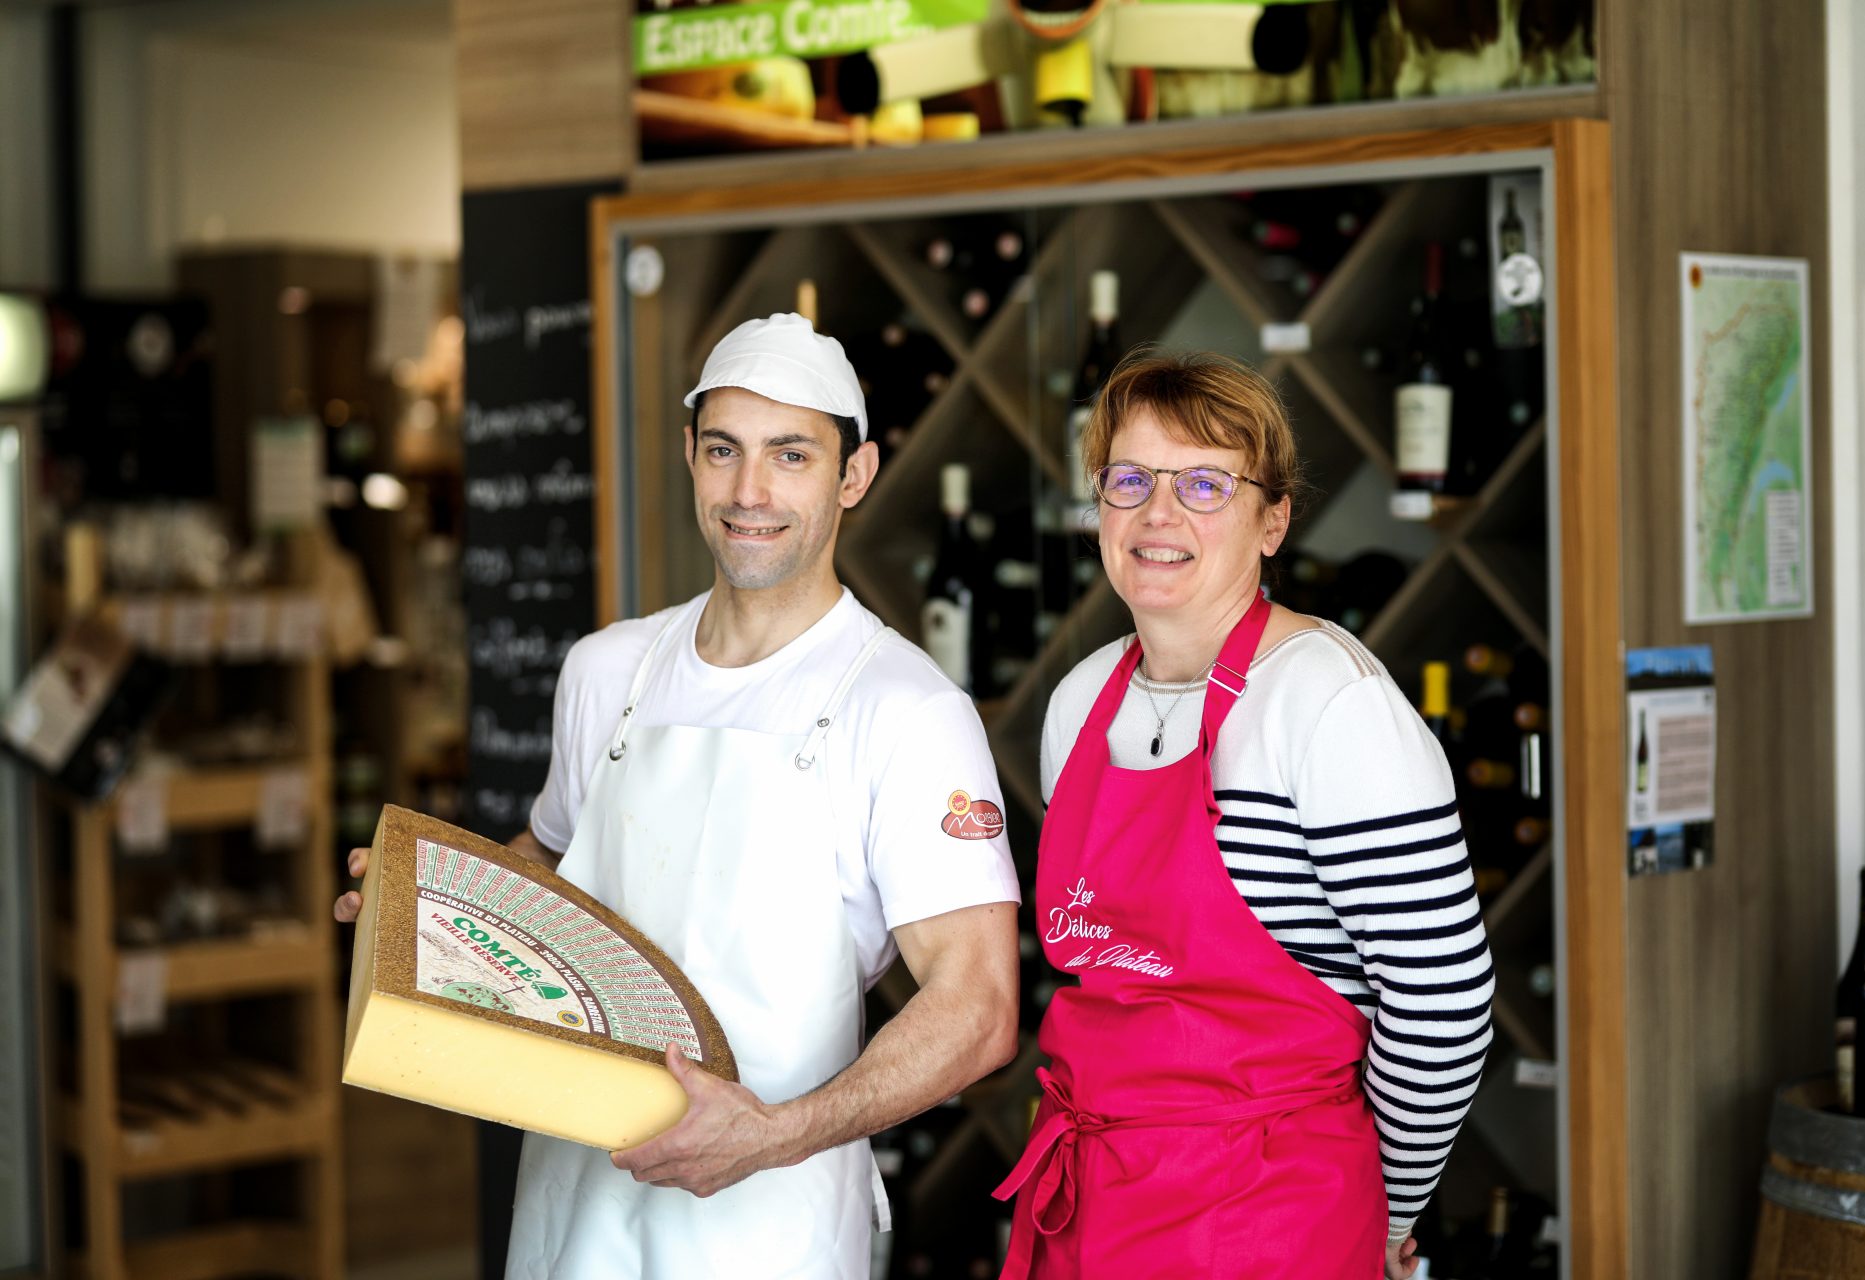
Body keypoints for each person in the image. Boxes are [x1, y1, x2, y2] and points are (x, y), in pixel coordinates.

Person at [335, 313, 1022, 1278]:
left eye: (791, 456)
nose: (751, 492)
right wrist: (427, 912)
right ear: (690, 459)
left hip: (772, 1220)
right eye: (723, 451)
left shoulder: (908, 710)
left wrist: (775, 1133)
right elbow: (548, 872)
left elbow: (979, 1006)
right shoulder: (607, 670)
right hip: (579, 1200)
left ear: (854, 476)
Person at [993, 350, 1491, 1279]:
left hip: (1268, 1216)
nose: (1158, 514)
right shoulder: (1079, 704)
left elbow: (1444, 1006)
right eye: (1130, 479)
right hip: (1091, 1204)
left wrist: (1390, 1207)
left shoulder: (1328, 705)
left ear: (1274, 520)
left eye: (1206, 484)